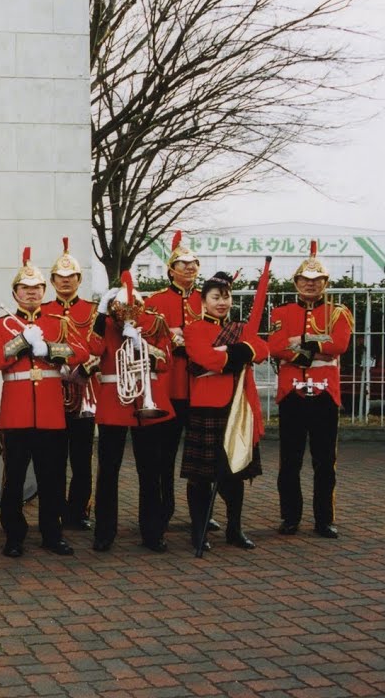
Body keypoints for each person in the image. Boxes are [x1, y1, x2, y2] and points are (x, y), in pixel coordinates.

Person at [0, 247, 89, 558]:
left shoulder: (59, 321)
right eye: (25, 289)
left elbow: (80, 352)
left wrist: (48, 348)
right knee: (14, 478)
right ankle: (13, 535)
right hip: (16, 413)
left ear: (45, 291)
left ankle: (51, 533)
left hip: (50, 413)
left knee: (52, 477)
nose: (31, 294)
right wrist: (20, 342)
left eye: (37, 289)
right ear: (15, 293)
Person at [268, 242, 353, 539]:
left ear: (325, 283)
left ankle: (324, 520)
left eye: (317, 281)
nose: (310, 285)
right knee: (289, 461)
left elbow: (339, 346)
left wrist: (303, 344)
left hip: (325, 394)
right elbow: (275, 347)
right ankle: (290, 517)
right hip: (292, 393)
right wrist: (313, 349)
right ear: (296, 282)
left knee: (324, 461)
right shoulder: (281, 311)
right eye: (305, 279)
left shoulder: (338, 312)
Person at [181, 271, 268, 554]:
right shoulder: (194, 329)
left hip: (236, 406)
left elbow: (263, 349)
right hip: (206, 405)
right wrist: (239, 353)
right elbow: (205, 357)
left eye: (226, 297)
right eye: (215, 297)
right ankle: (199, 530)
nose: (222, 302)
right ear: (203, 301)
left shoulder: (240, 328)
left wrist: (231, 352)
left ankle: (234, 528)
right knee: (202, 476)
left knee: (235, 470)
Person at [90, 271, 175, 553]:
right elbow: (90, 351)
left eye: (132, 308)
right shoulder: (105, 324)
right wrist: (101, 316)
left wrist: (143, 345)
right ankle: (104, 532)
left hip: (145, 399)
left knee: (150, 470)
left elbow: (166, 361)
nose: (127, 314)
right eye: (120, 309)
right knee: (108, 470)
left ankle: (152, 532)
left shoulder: (154, 322)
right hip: (114, 400)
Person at [143, 230, 220, 536]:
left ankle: (202, 515)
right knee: (164, 457)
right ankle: (163, 512)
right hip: (171, 387)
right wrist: (171, 340)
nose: (190, 268)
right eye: (183, 263)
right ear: (171, 269)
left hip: (201, 388)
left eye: (194, 263)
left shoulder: (207, 299)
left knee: (203, 458)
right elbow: (147, 339)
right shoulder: (156, 300)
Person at [41, 238, 103, 532]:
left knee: (81, 458)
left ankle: (78, 511)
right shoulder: (41, 311)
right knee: (53, 457)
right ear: (52, 280)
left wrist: (85, 367)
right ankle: (53, 510)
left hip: (84, 389)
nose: (65, 282)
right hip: (51, 390)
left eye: (71, 277)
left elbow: (100, 349)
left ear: (79, 279)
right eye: (60, 278)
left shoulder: (92, 311)